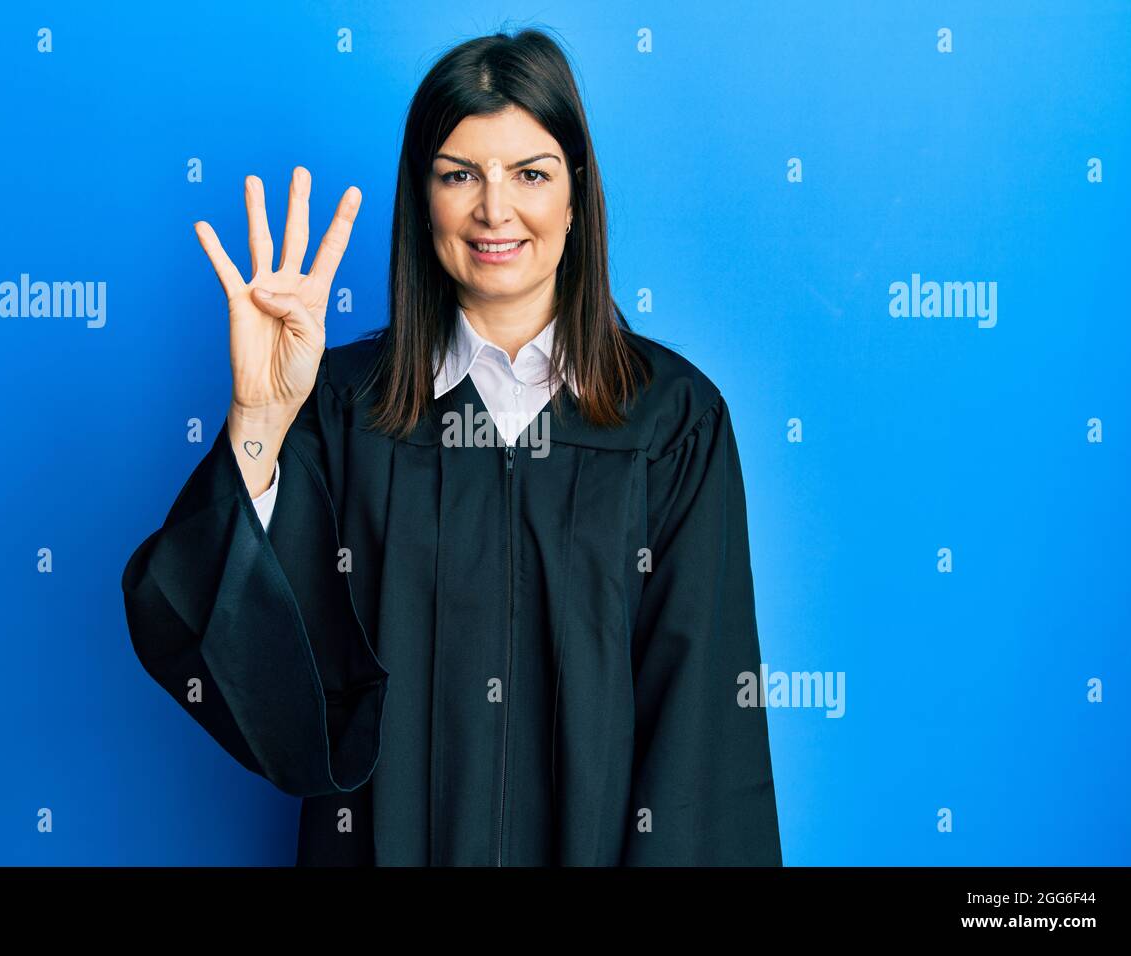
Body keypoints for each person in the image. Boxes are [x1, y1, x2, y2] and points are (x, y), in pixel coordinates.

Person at [121, 27, 782, 866]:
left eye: (531, 174)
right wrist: (259, 418)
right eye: (459, 174)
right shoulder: (340, 408)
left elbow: (701, 736)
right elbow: (231, 647)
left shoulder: (671, 421)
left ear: (577, 194)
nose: (494, 210)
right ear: (422, 198)